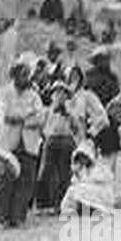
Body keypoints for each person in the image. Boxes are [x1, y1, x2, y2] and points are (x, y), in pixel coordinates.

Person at [0, 53, 45, 227]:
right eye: (22, 74)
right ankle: (0, 218)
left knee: (26, 182)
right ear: (14, 75)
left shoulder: (34, 95)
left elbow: (41, 117)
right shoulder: (3, 93)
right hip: (7, 144)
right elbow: (4, 115)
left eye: (28, 74)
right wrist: (27, 115)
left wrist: (21, 118)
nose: (26, 78)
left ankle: (18, 218)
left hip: (28, 144)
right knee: (7, 180)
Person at [37, 80, 77, 212]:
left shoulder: (70, 112)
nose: (59, 96)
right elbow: (41, 126)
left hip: (66, 141)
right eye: (57, 92)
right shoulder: (47, 111)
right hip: (51, 140)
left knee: (64, 174)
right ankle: (43, 204)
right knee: (45, 172)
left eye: (62, 93)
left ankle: (61, 204)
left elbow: (76, 128)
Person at [83, 46, 121, 173]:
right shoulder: (93, 78)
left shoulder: (91, 77)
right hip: (98, 124)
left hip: (100, 125)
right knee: (101, 163)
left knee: (100, 162)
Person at [64, 65, 110, 157]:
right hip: (64, 146)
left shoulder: (87, 96)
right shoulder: (62, 98)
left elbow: (103, 118)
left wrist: (92, 134)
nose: (74, 80)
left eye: (76, 76)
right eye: (71, 76)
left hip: (83, 146)